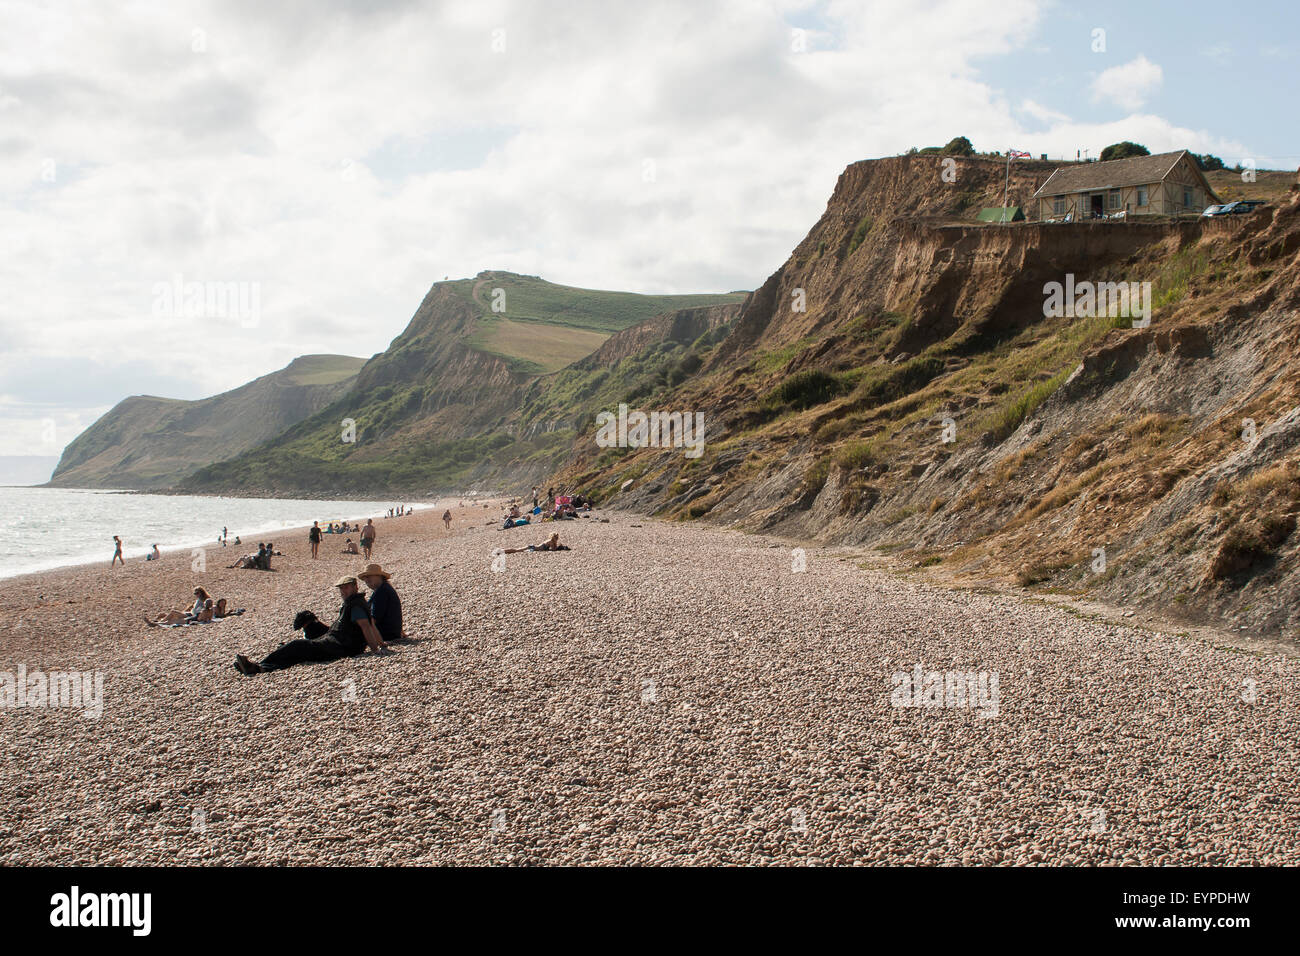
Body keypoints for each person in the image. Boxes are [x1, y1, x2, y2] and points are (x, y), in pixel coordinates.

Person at [233, 576, 388, 675]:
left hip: (340, 647)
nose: (343, 591)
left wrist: (375, 649)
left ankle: (260, 667)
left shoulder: (355, 606)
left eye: (346, 587)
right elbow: (371, 625)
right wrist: (382, 644)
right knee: (303, 642)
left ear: (355, 587)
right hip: (337, 641)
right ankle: (261, 665)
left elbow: (366, 627)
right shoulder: (354, 603)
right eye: (341, 588)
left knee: (298, 646)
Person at [359, 563, 404, 643]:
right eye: (365, 577)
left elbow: (374, 619)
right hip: (392, 632)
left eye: (369, 576)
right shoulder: (383, 588)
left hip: (386, 634)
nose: (366, 579)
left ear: (379, 576)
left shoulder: (381, 592)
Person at [145, 587, 211, 627]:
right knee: (165, 614)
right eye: (195, 593)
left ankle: (158, 623)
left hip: (192, 615)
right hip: (190, 614)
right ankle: (158, 622)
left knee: (173, 614)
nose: (196, 595)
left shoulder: (204, 601)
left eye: (197, 593)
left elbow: (202, 612)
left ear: (202, 592)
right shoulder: (199, 600)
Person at [502, 532, 570, 554]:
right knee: (516, 550)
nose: (557, 539)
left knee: (516, 550)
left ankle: (503, 551)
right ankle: (503, 551)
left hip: (533, 547)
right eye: (556, 538)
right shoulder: (551, 542)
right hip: (533, 548)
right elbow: (553, 550)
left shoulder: (549, 540)